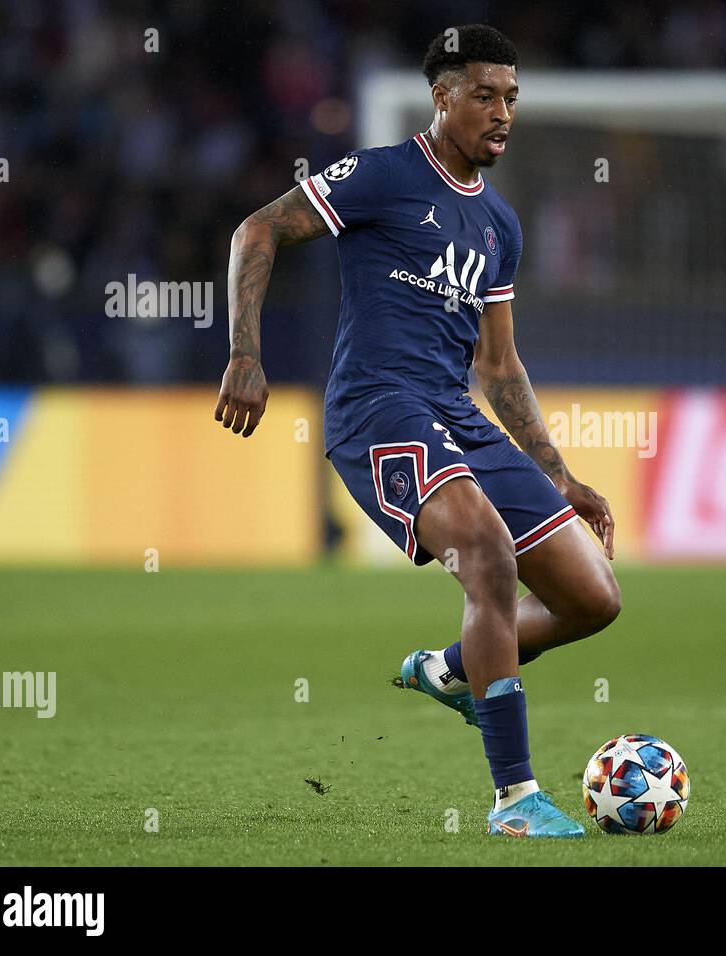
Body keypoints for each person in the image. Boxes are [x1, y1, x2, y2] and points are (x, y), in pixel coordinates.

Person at [214, 24, 620, 839]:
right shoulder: (382, 174)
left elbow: (500, 367)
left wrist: (563, 477)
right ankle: (515, 802)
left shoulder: (499, 224)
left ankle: (452, 672)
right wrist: (243, 354)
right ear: (441, 97)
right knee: (490, 555)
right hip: (377, 409)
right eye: (483, 96)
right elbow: (255, 230)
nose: (501, 113)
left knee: (592, 596)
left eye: (510, 98)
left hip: (457, 415)